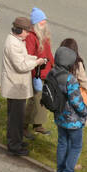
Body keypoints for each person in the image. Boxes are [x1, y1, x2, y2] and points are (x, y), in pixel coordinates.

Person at [1, 16, 45, 156]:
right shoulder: (13, 44)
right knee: (15, 118)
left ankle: (17, 140)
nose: (28, 34)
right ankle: (14, 145)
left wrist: (36, 59)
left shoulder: (18, 41)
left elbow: (24, 57)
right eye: (26, 31)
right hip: (15, 87)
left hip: (18, 86)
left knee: (17, 117)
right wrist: (37, 63)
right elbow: (21, 65)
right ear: (19, 30)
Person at [48, 44, 87, 172]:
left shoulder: (52, 73)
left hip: (59, 116)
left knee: (62, 144)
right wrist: (86, 111)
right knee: (76, 146)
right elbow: (76, 101)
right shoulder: (70, 79)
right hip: (73, 120)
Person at [23, 8, 54, 138]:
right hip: (36, 73)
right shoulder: (31, 37)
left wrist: (53, 67)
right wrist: (35, 71)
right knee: (36, 100)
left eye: (44, 20)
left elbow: (49, 53)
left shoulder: (43, 36)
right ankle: (25, 125)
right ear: (36, 23)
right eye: (42, 21)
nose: (44, 23)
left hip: (45, 72)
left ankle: (36, 124)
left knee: (39, 99)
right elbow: (30, 56)